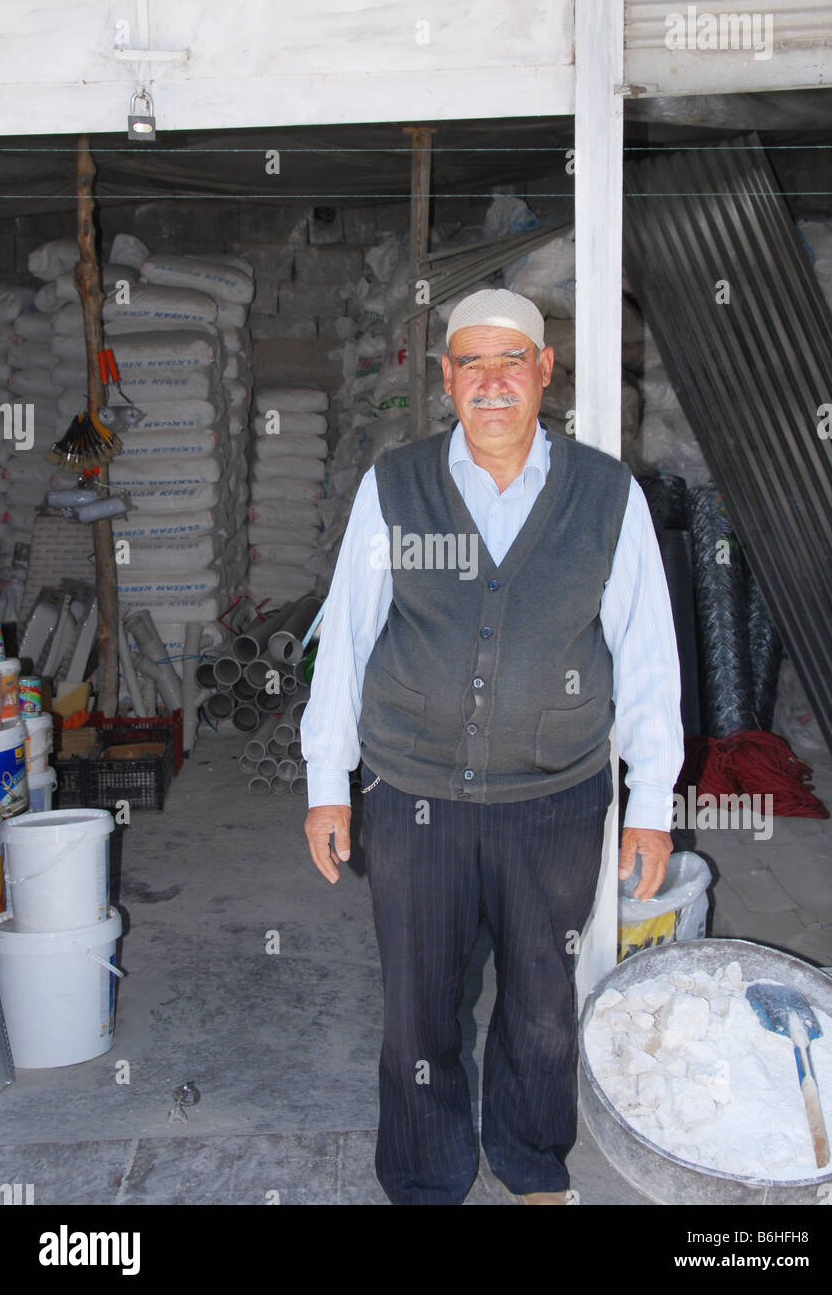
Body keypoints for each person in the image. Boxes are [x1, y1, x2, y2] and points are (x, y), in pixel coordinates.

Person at [301, 288, 683, 1205]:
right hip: (412, 794)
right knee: (419, 1008)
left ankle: (530, 1161)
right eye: (471, 362)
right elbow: (346, 637)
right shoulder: (396, 484)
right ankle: (427, 1176)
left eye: (513, 359)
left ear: (546, 371)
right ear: (445, 379)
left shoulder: (606, 494)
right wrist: (328, 784)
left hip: (557, 798)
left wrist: (654, 806)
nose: (493, 381)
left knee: (543, 1005)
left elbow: (647, 655)